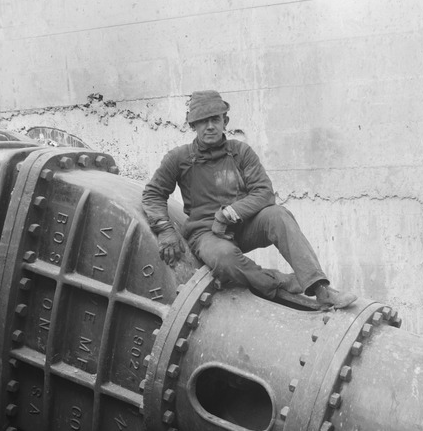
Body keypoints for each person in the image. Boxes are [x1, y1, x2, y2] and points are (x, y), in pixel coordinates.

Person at [141, 90, 357, 309]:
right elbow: (153, 193)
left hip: (242, 226)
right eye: (202, 121)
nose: (210, 126)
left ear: (225, 121)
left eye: (215, 119)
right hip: (206, 234)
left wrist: (228, 214)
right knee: (224, 259)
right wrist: (164, 229)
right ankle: (279, 281)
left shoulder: (240, 152)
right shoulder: (179, 158)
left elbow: (264, 193)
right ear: (192, 126)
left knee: (278, 215)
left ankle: (321, 288)